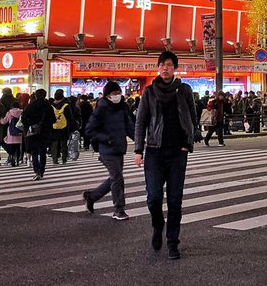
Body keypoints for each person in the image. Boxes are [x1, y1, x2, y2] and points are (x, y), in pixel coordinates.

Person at [134, 51, 198, 259]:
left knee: (175, 200)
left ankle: (172, 242)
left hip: (177, 152)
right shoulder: (149, 92)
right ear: (158, 67)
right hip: (154, 150)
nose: (165, 68)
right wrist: (137, 150)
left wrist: (188, 143)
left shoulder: (184, 90)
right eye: (162, 64)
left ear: (175, 68)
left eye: (169, 65)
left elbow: (192, 117)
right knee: (153, 197)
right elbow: (141, 122)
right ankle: (157, 224)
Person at [83, 81, 135, 221]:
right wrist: (107, 139)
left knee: (115, 178)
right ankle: (119, 210)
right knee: (117, 178)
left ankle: (92, 196)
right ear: (107, 95)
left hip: (119, 148)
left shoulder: (121, 108)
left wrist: (139, 140)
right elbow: (89, 130)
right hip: (107, 149)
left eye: (118, 93)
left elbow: (129, 126)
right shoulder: (101, 109)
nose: (117, 96)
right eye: (114, 93)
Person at [21, 89, 55, 180]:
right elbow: (53, 120)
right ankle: (42, 170)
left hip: (33, 131)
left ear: (35, 95)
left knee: (34, 151)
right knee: (42, 151)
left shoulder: (30, 106)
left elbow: (23, 118)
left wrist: (29, 125)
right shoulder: (48, 107)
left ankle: (36, 171)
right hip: (44, 132)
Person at [49, 89, 78, 165]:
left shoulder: (51, 106)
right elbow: (70, 117)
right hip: (64, 127)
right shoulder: (66, 105)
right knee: (64, 143)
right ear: (62, 97)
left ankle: (55, 160)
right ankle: (64, 159)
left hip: (54, 127)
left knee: (54, 143)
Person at [2, 90, 24, 166]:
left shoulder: (9, 112)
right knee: (18, 147)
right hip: (19, 131)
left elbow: (4, 122)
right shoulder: (22, 112)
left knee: (11, 147)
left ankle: (12, 158)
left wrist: (0, 119)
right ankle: (18, 160)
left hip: (11, 132)